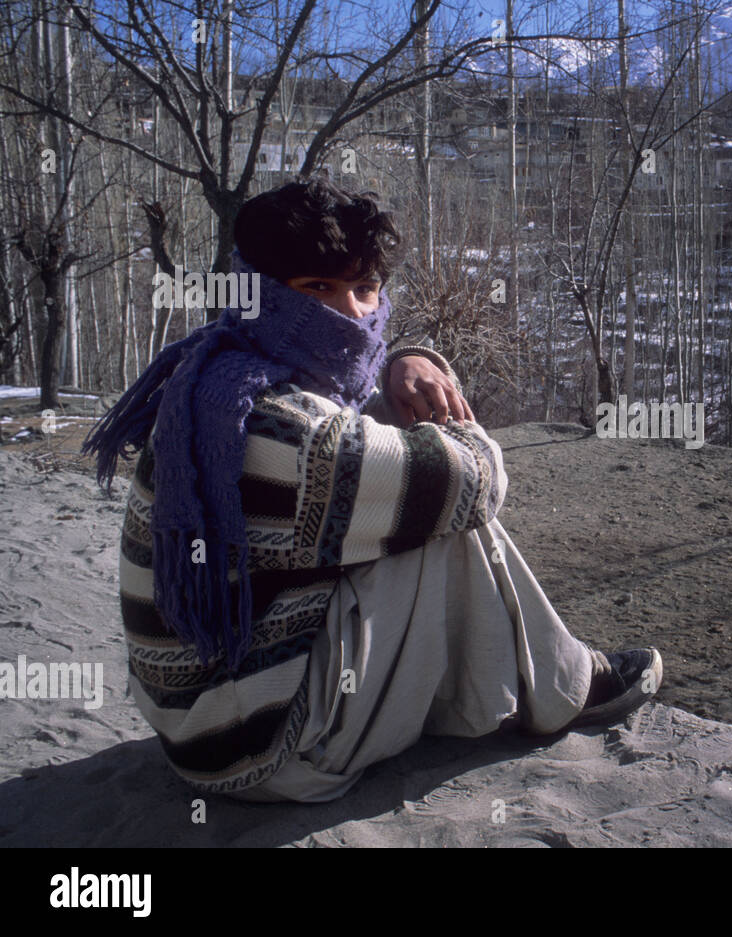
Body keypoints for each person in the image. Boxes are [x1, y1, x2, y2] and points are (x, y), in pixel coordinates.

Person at [82, 177, 662, 803]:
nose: (352, 314)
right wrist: (429, 379)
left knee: (408, 498)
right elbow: (478, 479)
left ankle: (540, 680)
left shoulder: (218, 370)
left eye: (365, 289)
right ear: (265, 293)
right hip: (264, 751)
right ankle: (566, 687)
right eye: (317, 289)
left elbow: (366, 429)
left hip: (197, 724)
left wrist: (404, 359)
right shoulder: (285, 427)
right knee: (445, 519)